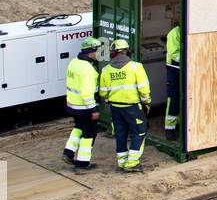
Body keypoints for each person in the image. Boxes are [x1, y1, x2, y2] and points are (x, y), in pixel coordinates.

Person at [99, 38, 151, 171]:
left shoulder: (106, 70)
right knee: (139, 132)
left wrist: (109, 99)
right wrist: (146, 102)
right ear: (127, 51)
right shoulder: (136, 66)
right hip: (133, 107)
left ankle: (122, 162)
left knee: (120, 134)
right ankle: (132, 163)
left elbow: (103, 93)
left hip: (115, 108)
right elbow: (144, 89)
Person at [62, 36, 103, 170]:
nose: (99, 53)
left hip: (72, 104)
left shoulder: (74, 62)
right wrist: (94, 110)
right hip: (84, 107)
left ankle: (68, 153)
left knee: (78, 127)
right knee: (89, 134)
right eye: (98, 50)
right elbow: (86, 93)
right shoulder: (88, 70)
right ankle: (82, 163)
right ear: (90, 52)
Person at [164, 8, 181, 141]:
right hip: (174, 69)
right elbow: (175, 54)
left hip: (185, 68)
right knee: (174, 99)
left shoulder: (186, 32)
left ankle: (180, 124)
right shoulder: (174, 33)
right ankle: (170, 130)